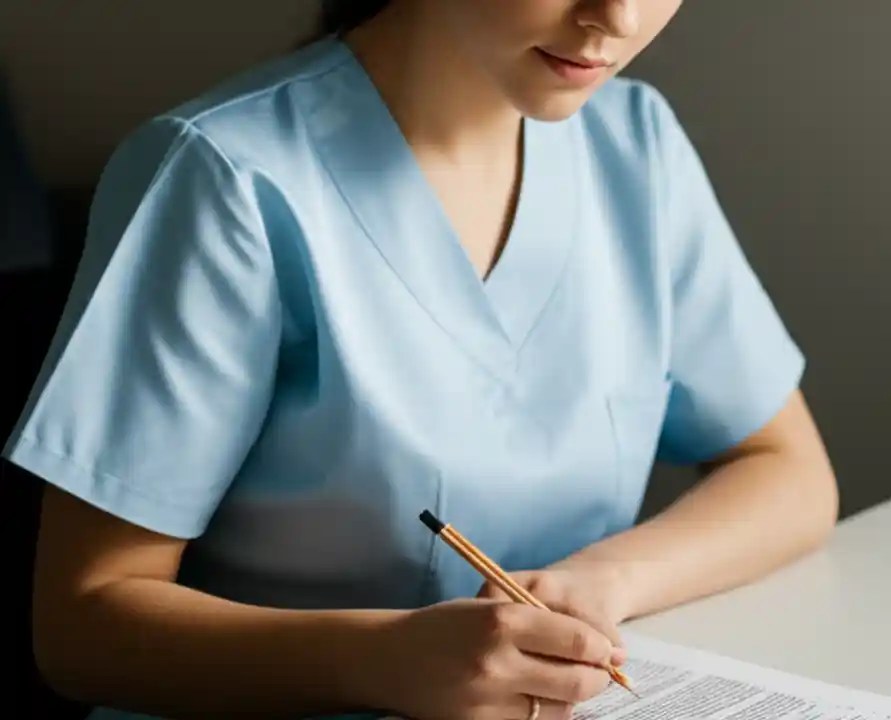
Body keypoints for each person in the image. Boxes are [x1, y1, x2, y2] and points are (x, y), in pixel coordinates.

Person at [3, 1, 839, 718]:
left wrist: (600, 582)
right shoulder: (225, 177)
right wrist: (378, 659)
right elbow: (82, 625)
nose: (615, 18)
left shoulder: (635, 143)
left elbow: (788, 471)